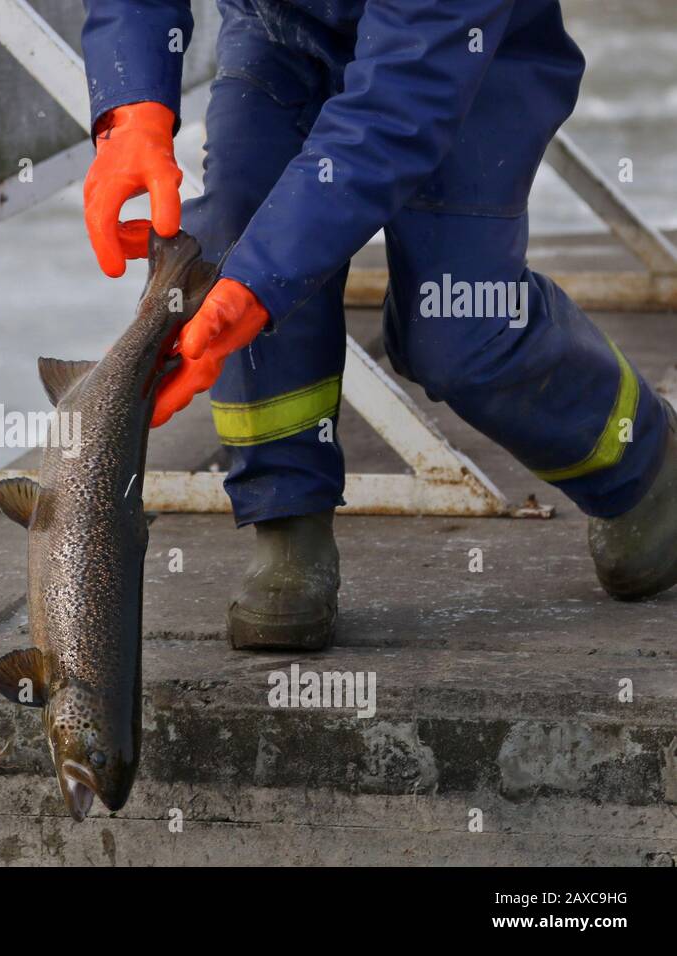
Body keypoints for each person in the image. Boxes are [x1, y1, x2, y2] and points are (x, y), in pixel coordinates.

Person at [80, 0, 677, 650]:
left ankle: (643, 462)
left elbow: (393, 112)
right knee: (238, 237)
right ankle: (287, 513)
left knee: (458, 330)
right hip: (282, 32)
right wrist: (129, 111)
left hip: (461, 51)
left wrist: (258, 286)